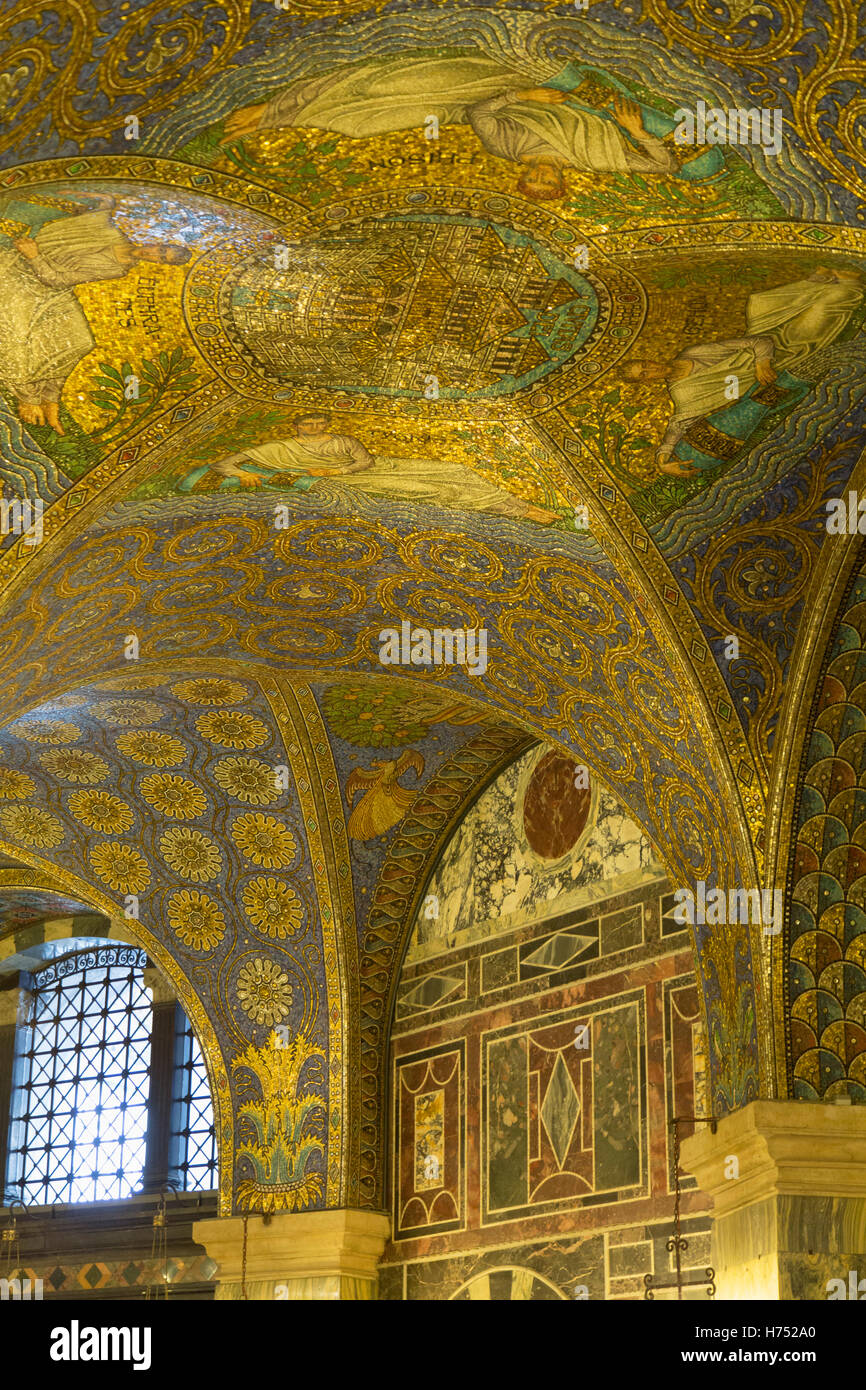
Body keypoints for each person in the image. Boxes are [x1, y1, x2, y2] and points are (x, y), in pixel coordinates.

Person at [222, 55, 675, 198]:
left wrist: (519, 100)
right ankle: (279, 109)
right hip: (523, 90)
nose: (539, 173)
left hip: (479, 101)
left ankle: (278, 113)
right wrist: (635, 132)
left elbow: (479, 114)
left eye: (531, 179)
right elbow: (665, 167)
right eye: (545, 180)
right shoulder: (594, 160)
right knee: (396, 82)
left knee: (364, 123)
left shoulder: (505, 150)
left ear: (523, 175)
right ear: (560, 182)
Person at [621, 267, 863, 475]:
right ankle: (846, 286)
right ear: (647, 382)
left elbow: (757, 342)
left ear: (649, 358)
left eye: (645, 364)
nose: (651, 369)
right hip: (784, 359)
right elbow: (679, 424)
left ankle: (819, 280)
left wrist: (761, 362)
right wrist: (663, 460)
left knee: (760, 302)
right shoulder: (683, 394)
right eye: (645, 374)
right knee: (824, 309)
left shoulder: (692, 353)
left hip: (767, 349)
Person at [0, 192, 191, 433]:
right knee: (18, 333)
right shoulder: (110, 231)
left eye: (161, 258)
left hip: (47, 281)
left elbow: (57, 280)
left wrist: (35, 256)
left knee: (80, 339)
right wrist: (101, 198)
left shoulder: (118, 268)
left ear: (160, 264)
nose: (154, 254)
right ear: (156, 241)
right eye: (161, 249)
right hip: (17, 273)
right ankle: (26, 394)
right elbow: (101, 210)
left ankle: (50, 396)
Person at [181, 410, 558, 522]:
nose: (313, 428)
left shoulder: (344, 440)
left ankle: (521, 504)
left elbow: (364, 461)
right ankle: (519, 512)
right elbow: (222, 463)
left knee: (457, 471)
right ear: (295, 426)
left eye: (318, 423)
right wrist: (243, 473)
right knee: (435, 490)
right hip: (362, 483)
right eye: (306, 424)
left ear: (325, 424)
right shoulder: (278, 447)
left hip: (370, 468)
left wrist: (335, 471)